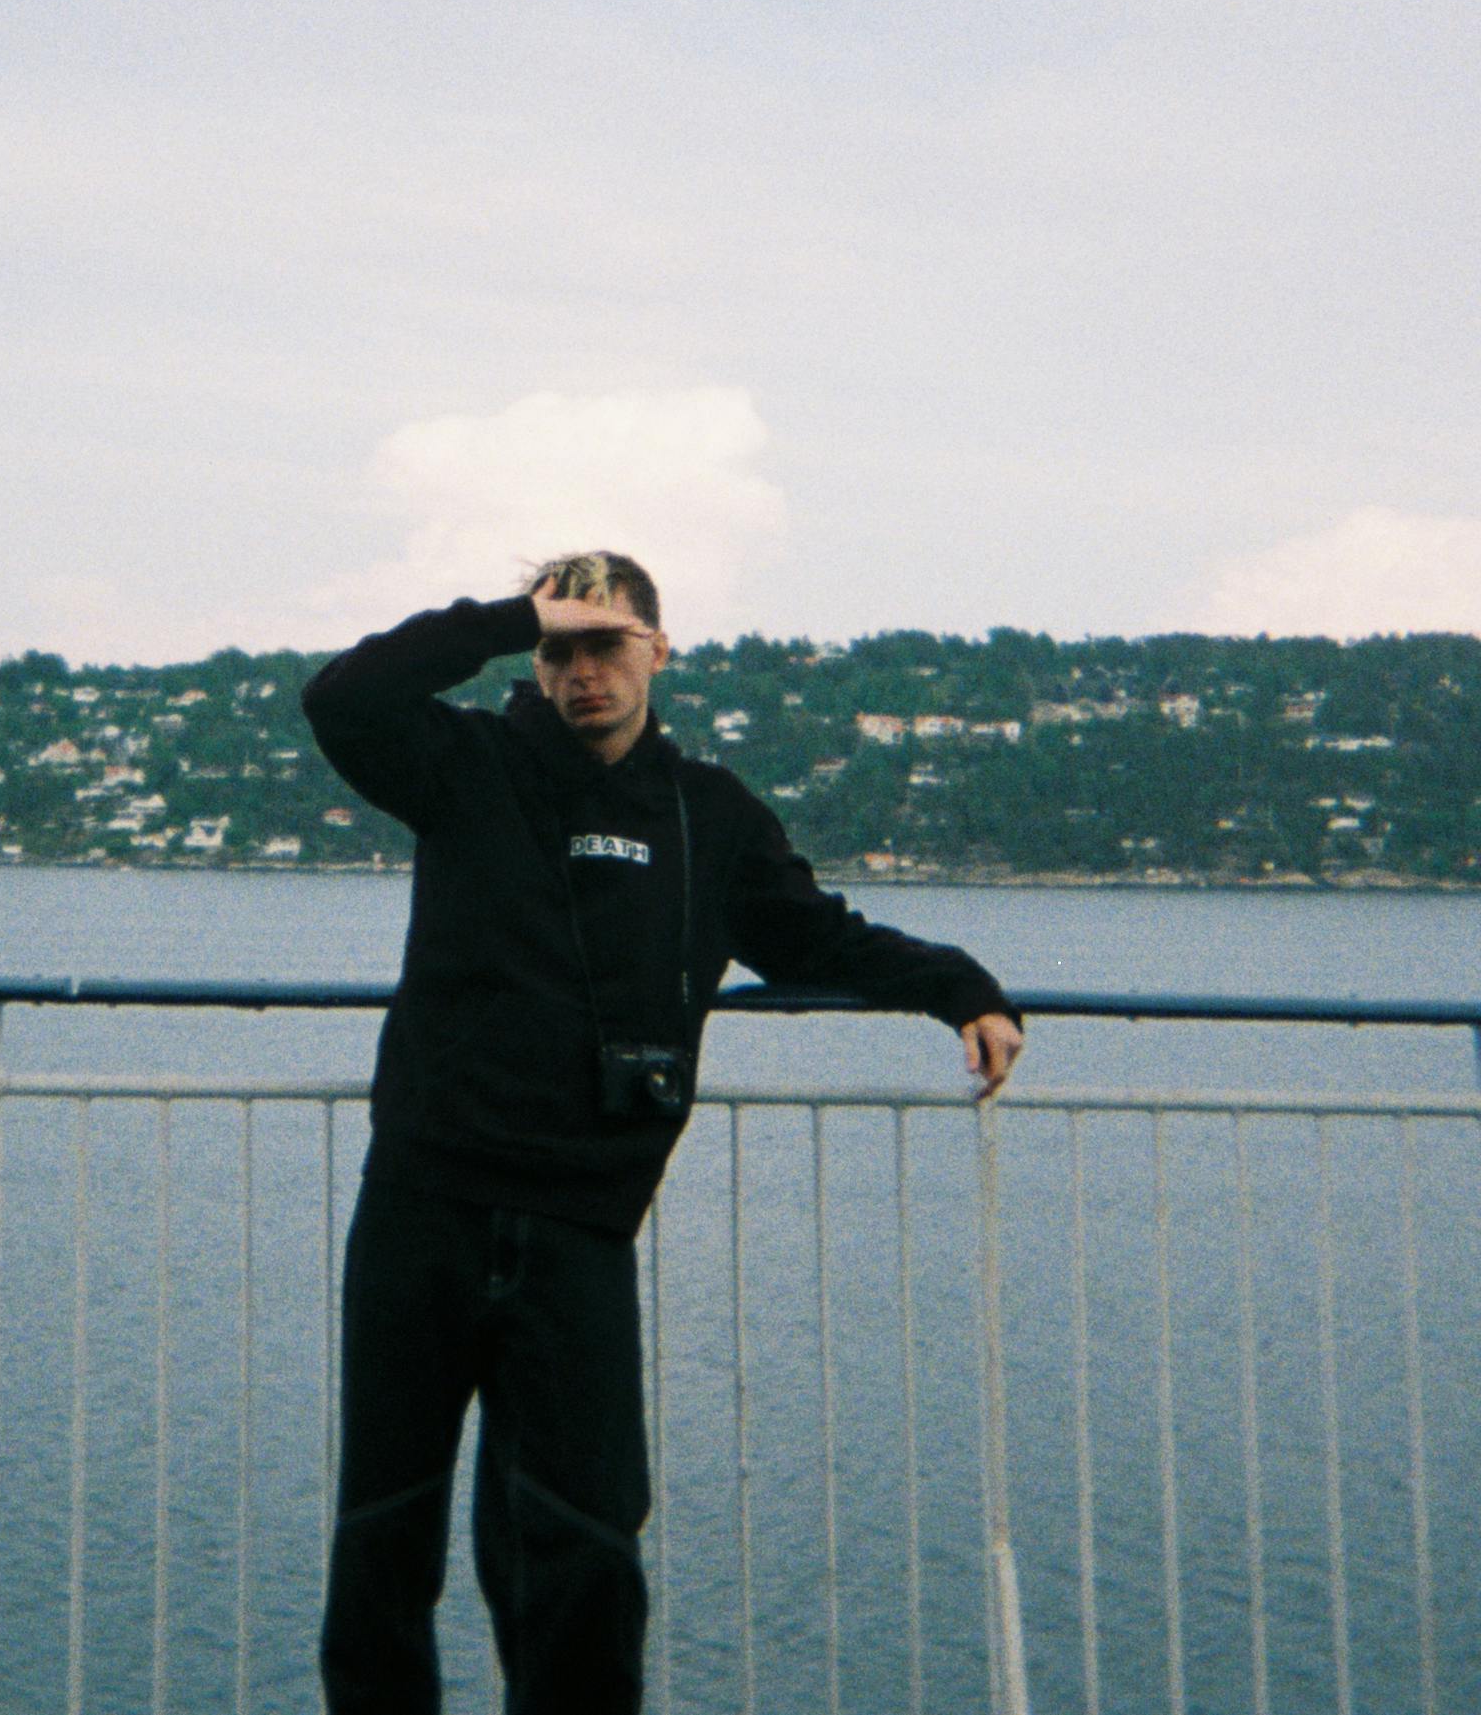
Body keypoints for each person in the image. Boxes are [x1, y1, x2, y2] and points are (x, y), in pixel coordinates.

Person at [306, 552, 1024, 1713]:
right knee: (386, 1534)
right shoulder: (463, 766)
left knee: (584, 1542)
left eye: (607, 645)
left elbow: (818, 938)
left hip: (581, 1225)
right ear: (534, 662)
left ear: (658, 652)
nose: (583, 673)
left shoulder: (709, 817)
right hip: (420, 1207)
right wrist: (504, 619)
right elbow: (341, 700)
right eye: (561, 652)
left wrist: (963, 988)